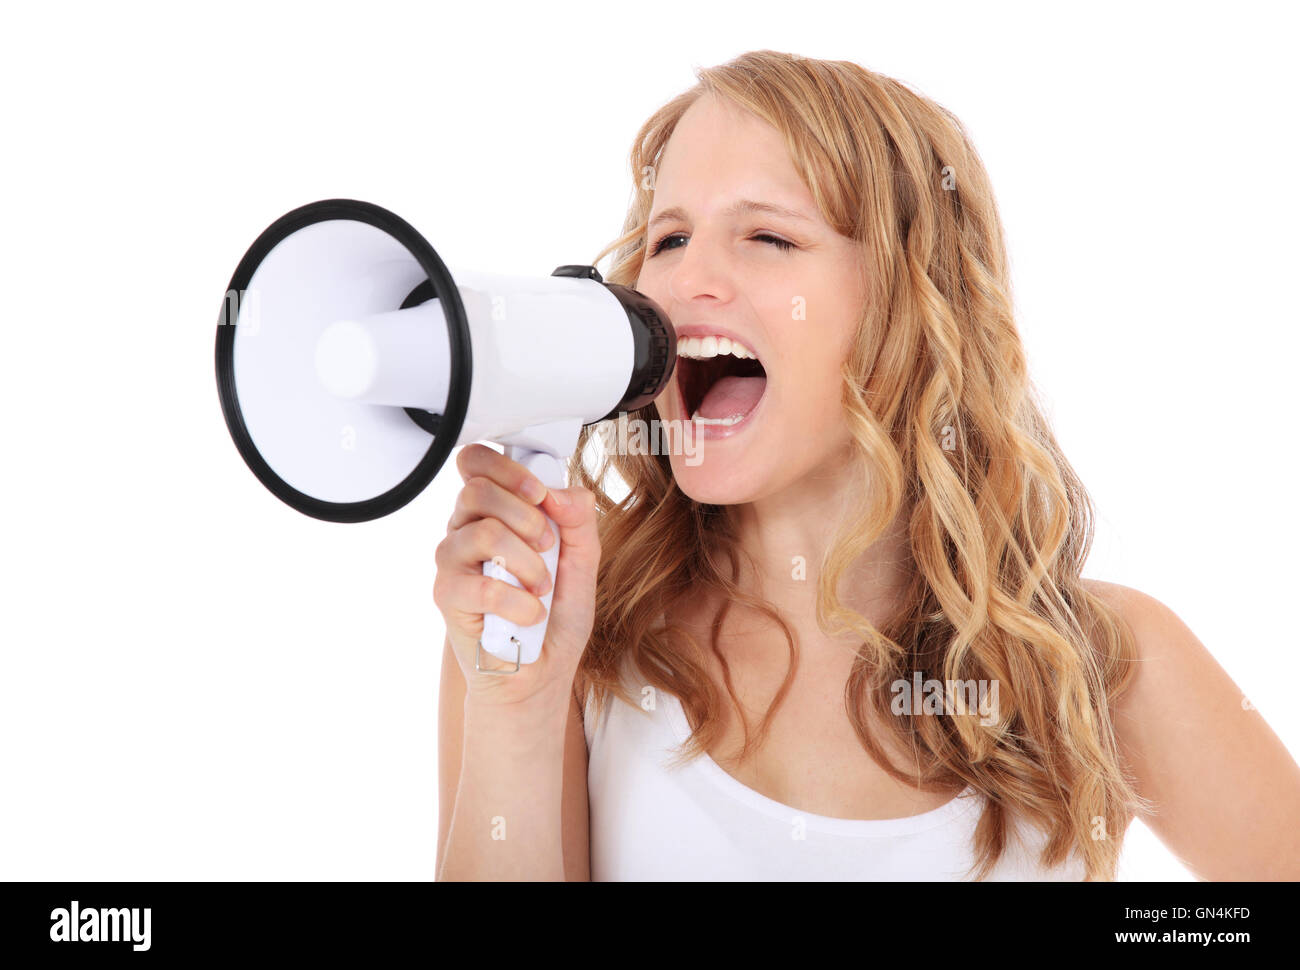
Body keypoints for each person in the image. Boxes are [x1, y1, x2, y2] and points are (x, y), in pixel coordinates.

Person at [433, 50, 1300, 881]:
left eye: (767, 236)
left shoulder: (1104, 664)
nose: (687, 278)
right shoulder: (562, 632)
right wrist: (517, 712)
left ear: (910, 303)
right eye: (668, 238)